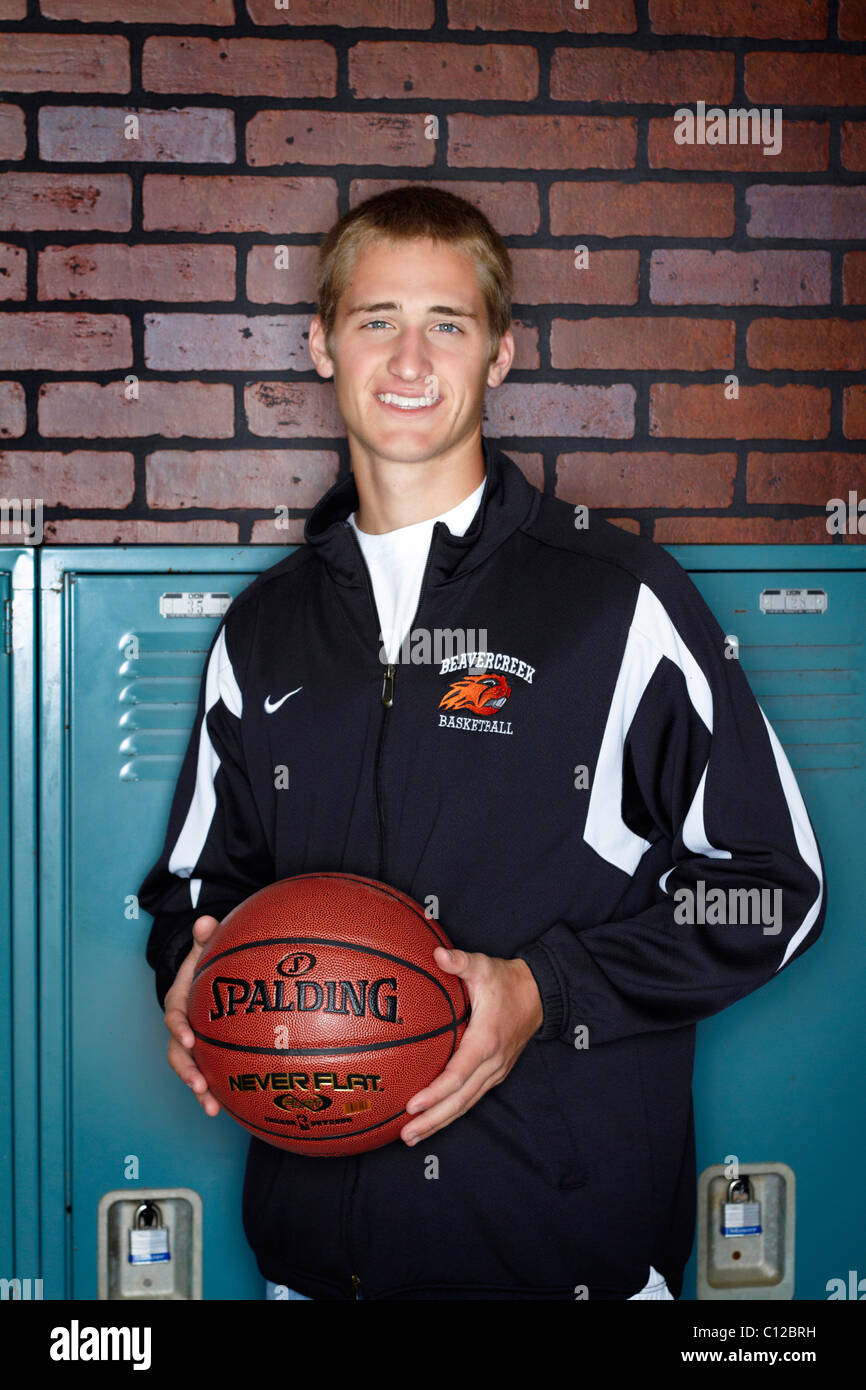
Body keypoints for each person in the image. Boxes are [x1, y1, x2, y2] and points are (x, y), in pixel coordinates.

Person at [139, 184, 826, 1301]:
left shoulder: (616, 602)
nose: (409, 358)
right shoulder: (263, 632)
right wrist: (191, 978)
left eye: (446, 325)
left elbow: (769, 890)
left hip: (560, 1257)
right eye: (376, 320)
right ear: (321, 342)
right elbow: (196, 889)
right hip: (322, 1265)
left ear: (498, 355)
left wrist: (544, 990)